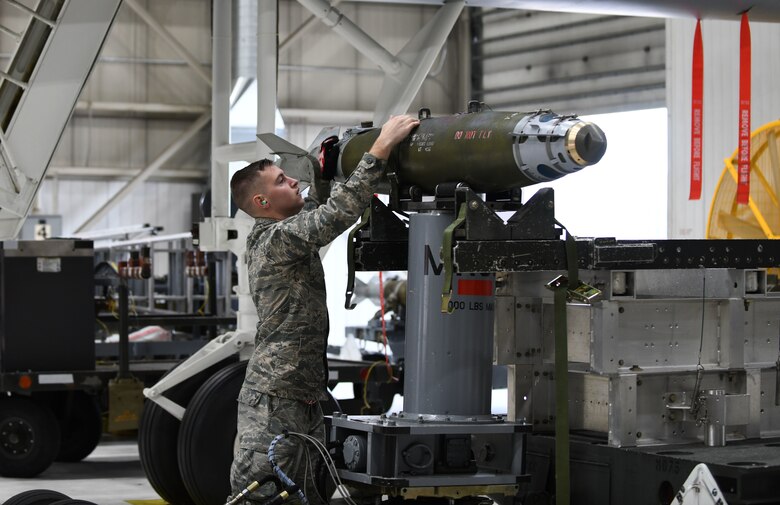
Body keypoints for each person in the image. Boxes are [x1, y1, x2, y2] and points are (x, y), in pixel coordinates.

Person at [228, 115, 420, 504]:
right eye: (282, 181)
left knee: (309, 493)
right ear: (261, 203)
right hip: (275, 400)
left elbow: (316, 206)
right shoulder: (275, 240)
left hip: (304, 395)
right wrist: (379, 148)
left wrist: (324, 168)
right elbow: (334, 215)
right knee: (261, 496)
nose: (292, 181)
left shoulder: (286, 231)